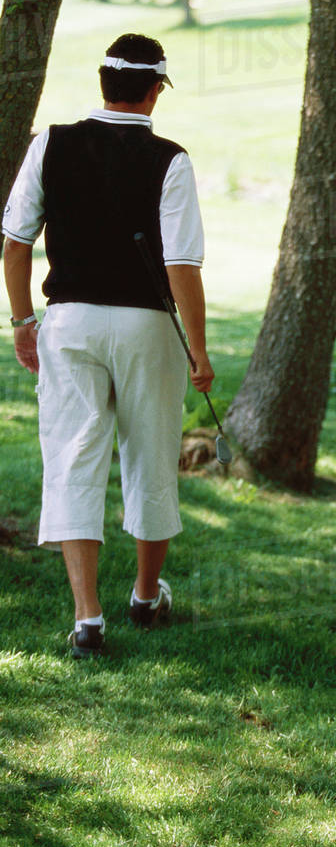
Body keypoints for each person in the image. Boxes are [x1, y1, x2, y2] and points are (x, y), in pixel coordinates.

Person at [3, 33, 214, 658]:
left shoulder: (51, 144)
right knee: (150, 453)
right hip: (148, 326)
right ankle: (146, 597)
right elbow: (182, 266)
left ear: (104, 83)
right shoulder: (171, 159)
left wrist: (21, 322)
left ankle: (87, 616)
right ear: (155, 91)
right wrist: (199, 351)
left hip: (69, 322)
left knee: (74, 456)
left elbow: (15, 244)